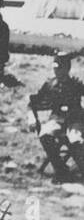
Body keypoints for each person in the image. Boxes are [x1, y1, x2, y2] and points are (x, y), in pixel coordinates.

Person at [29, 52, 84, 181]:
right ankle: (61, 170)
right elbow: (33, 103)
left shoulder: (76, 85)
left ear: (67, 68)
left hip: (74, 121)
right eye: (55, 67)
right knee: (45, 135)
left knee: (75, 140)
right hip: (57, 119)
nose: (57, 71)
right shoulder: (49, 85)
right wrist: (32, 118)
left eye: (60, 68)